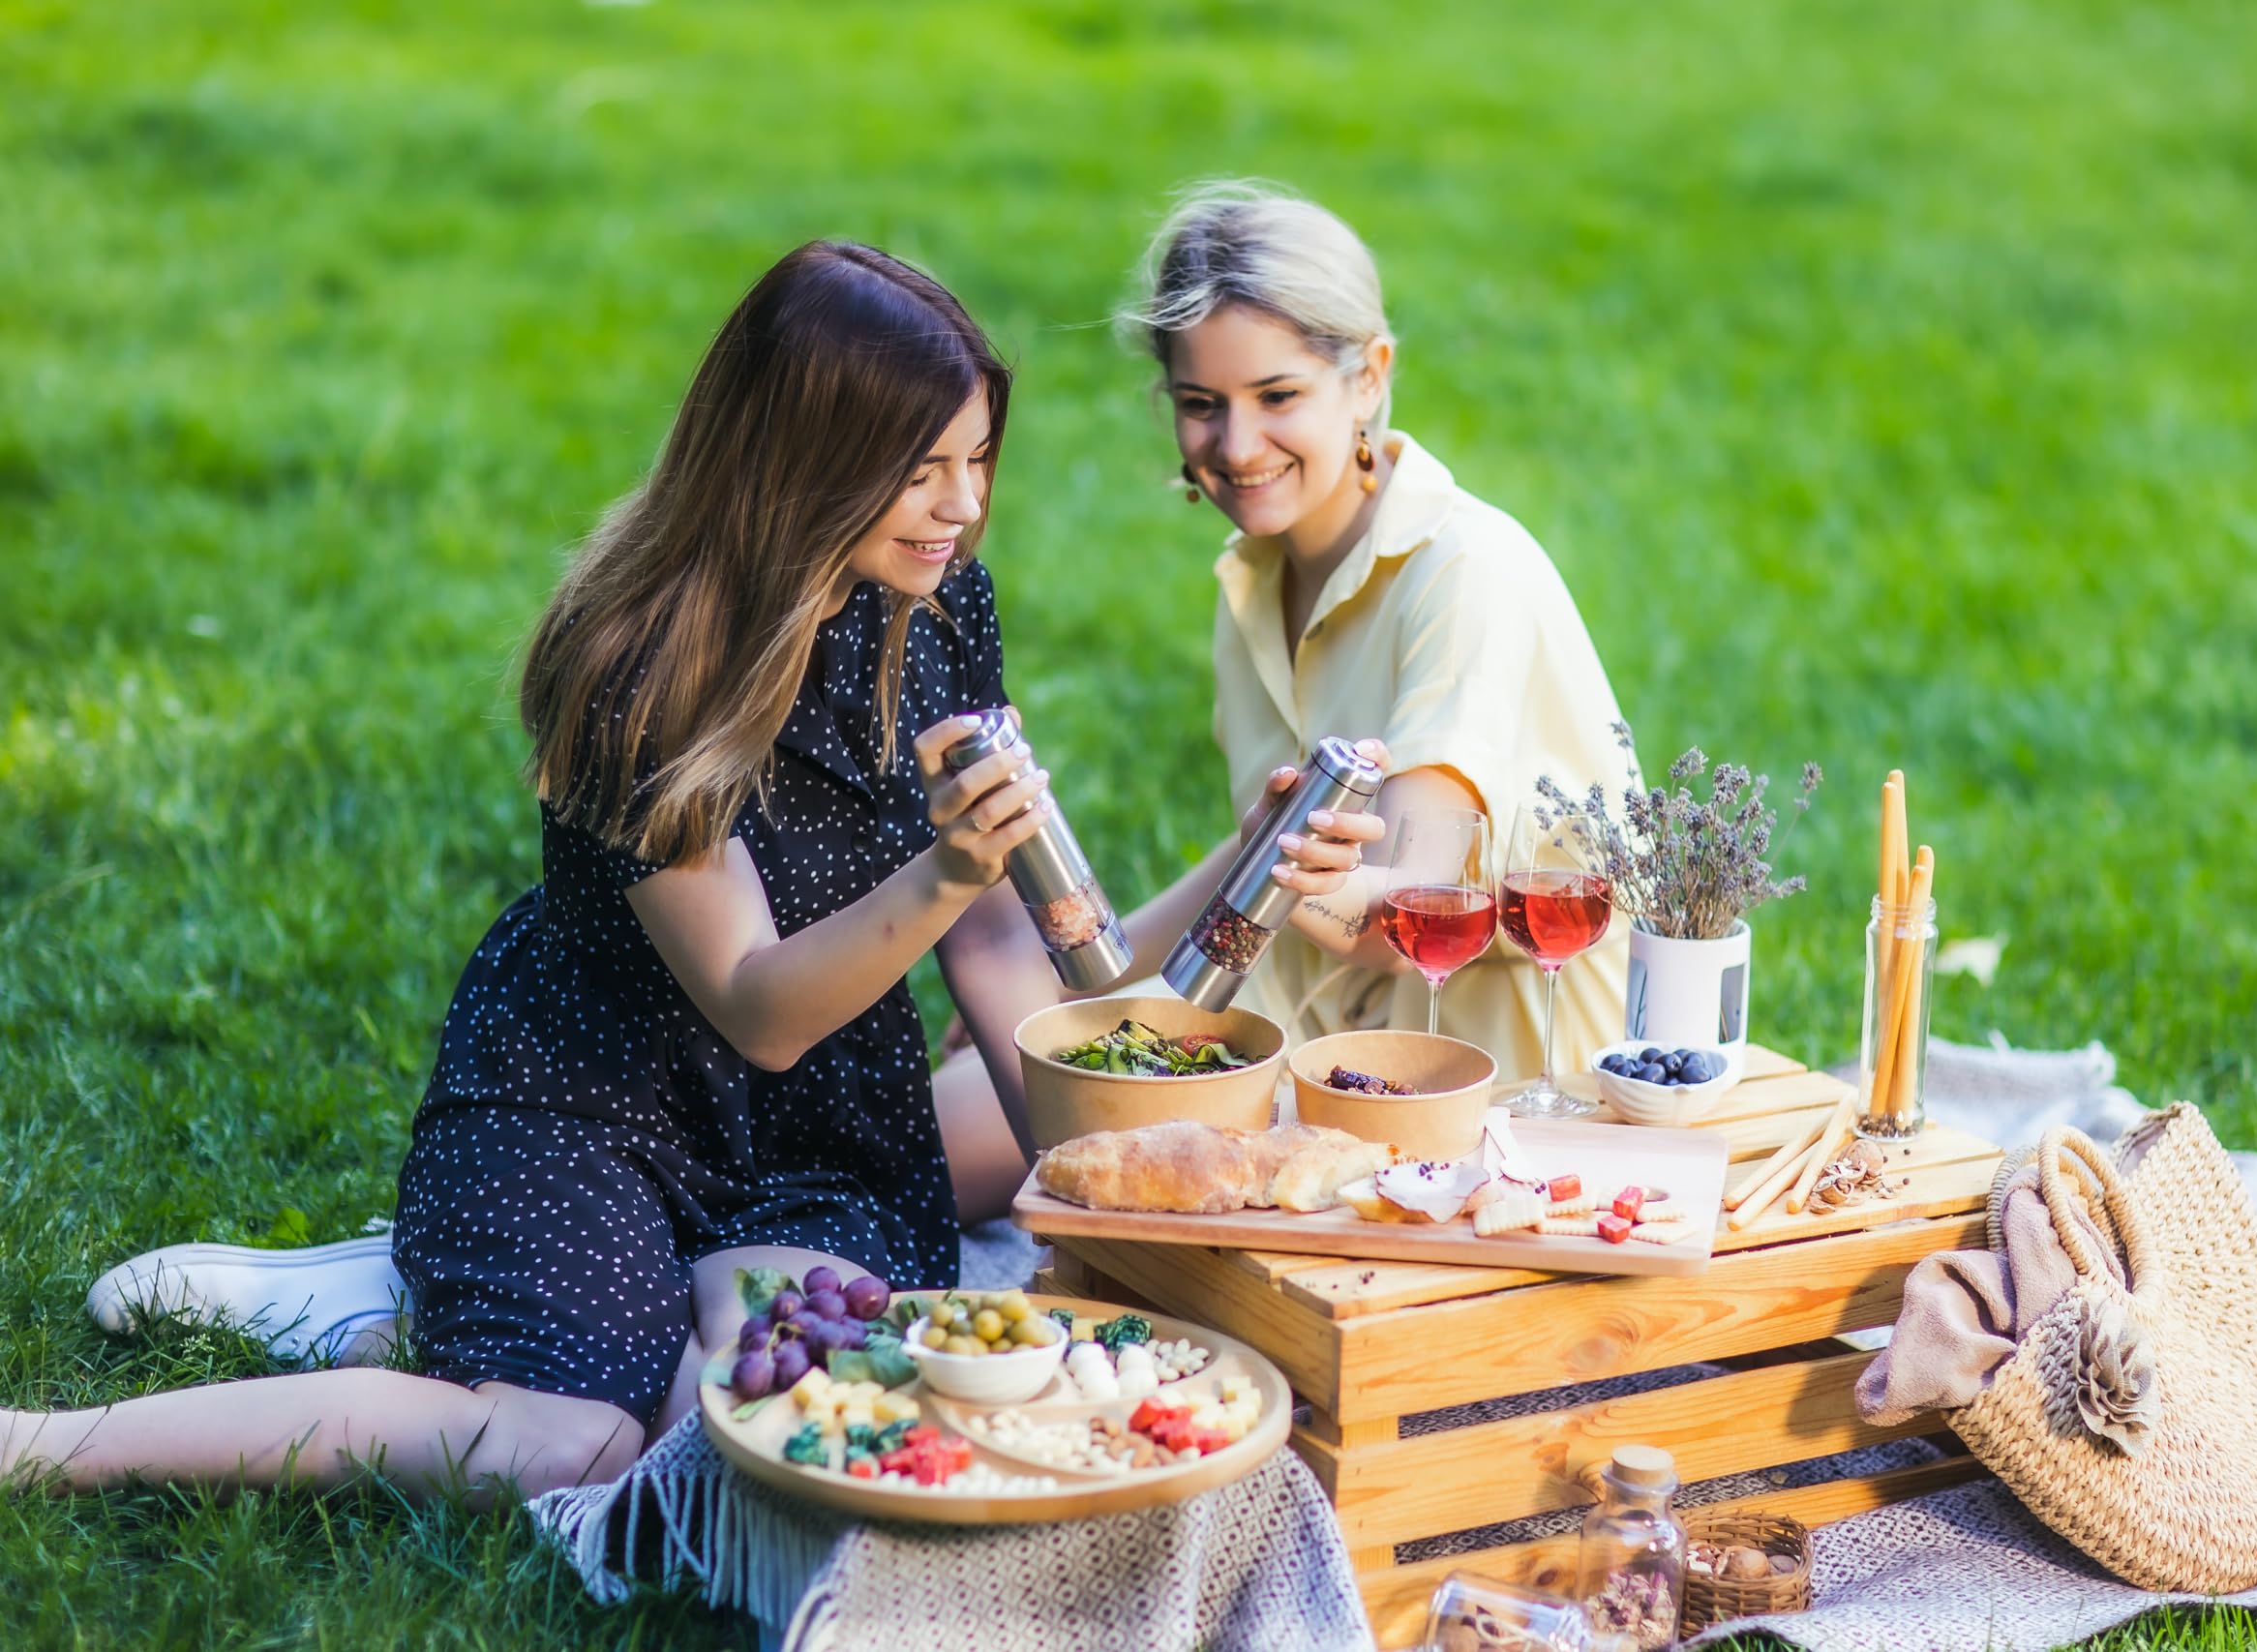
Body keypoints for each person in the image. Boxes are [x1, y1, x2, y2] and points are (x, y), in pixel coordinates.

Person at [24, 241, 1369, 1496]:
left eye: (976, 461)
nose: (962, 506)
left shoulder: (937, 604)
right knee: (578, 1438)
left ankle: (455, 1289)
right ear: (805, 462)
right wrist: (954, 866)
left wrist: (1121, 1195)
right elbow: (760, 1004)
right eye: (921, 471)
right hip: (589, 1102)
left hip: (815, 1131)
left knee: (789, 1398)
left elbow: (1015, 973)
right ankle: (55, 1443)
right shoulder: (636, 659)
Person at [931, 182, 1638, 1180]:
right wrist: (1086, 1000)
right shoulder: (1250, 581)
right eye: (1200, 405)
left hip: (1489, 1077)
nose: (1237, 448)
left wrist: (1268, 878)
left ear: (1369, 377)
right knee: (926, 1133)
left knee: (1030, 1141)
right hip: (1296, 1027)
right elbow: (1264, 855)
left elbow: (1408, 920)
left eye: (1277, 397)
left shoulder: (1464, 571)